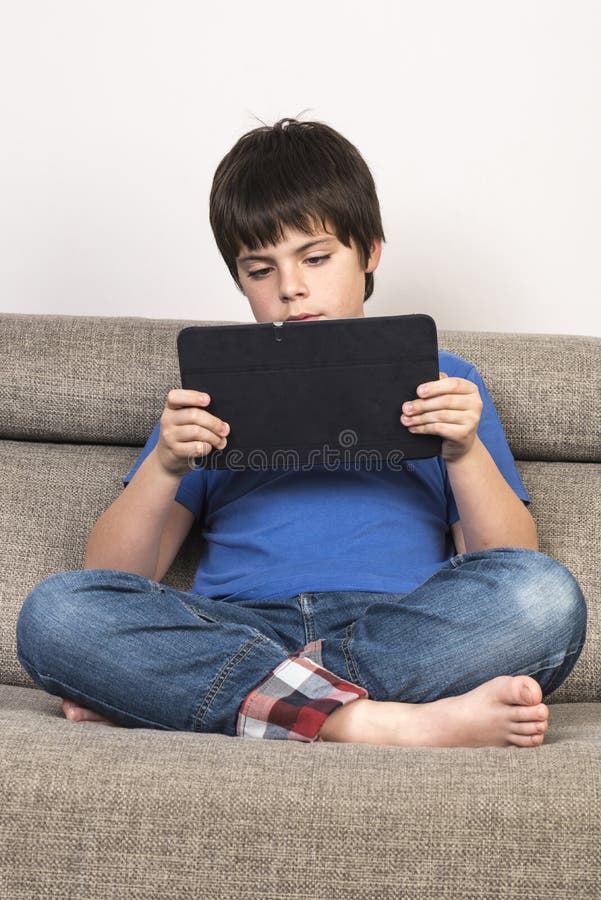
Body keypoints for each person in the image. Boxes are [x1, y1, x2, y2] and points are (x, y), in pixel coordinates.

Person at [16, 117, 587, 748]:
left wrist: (463, 448)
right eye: (260, 271)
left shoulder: (446, 380)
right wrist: (165, 465)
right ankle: (369, 721)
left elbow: (508, 561)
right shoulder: (209, 394)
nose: (291, 288)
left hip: (388, 626)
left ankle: (224, 703)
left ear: (369, 252)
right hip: (239, 628)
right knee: (57, 612)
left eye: (316, 258)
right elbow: (116, 575)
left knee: (546, 598)